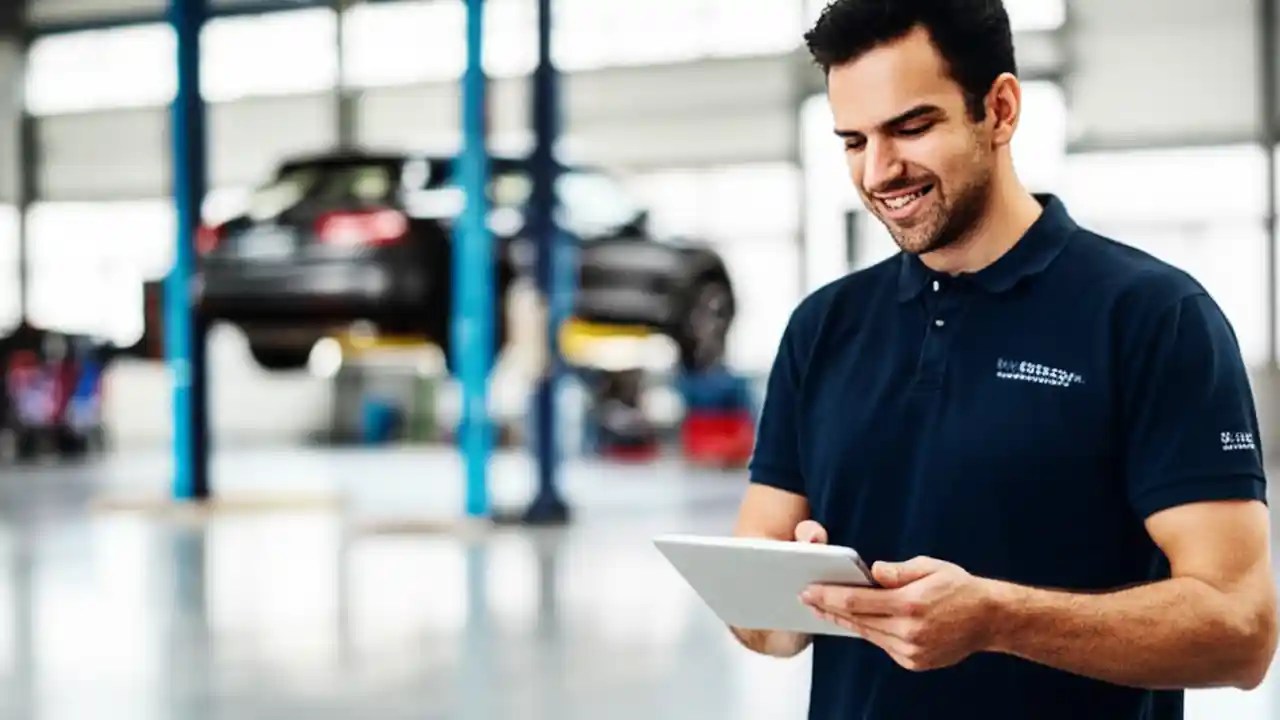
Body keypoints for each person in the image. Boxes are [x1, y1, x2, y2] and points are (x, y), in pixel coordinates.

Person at [730, 1, 1279, 718]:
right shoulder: (823, 328)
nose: (879, 170)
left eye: (911, 128)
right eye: (854, 140)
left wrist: (997, 620)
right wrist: (799, 590)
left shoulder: (1154, 316)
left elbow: (1240, 631)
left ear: (1000, 109)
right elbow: (762, 624)